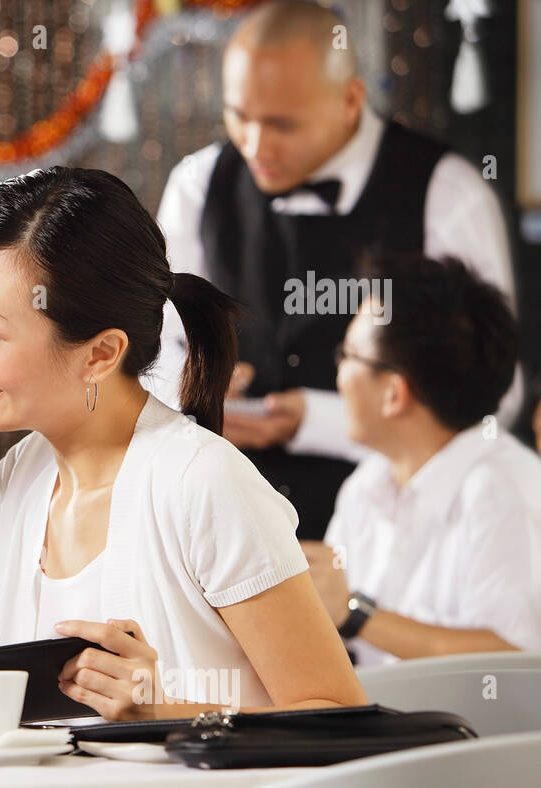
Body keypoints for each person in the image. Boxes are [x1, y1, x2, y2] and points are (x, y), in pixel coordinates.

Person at [0, 166, 368, 722]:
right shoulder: (25, 472)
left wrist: (164, 710)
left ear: (99, 354)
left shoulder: (201, 482)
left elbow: (338, 713)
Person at [152, 0, 521, 540]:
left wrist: (316, 421)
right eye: (238, 116)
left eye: (281, 123)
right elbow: (155, 347)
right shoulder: (197, 184)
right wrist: (196, 396)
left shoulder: (447, 194)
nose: (255, 145)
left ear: (351, 99)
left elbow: (495, 396)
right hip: (221, 521)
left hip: (399, 534)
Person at [303, 256, 541, 664]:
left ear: (395, 393)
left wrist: (354, 613)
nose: (339, 371)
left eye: (348, 354)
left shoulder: (506, 490)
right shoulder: (367, 483)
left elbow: (517, 658)